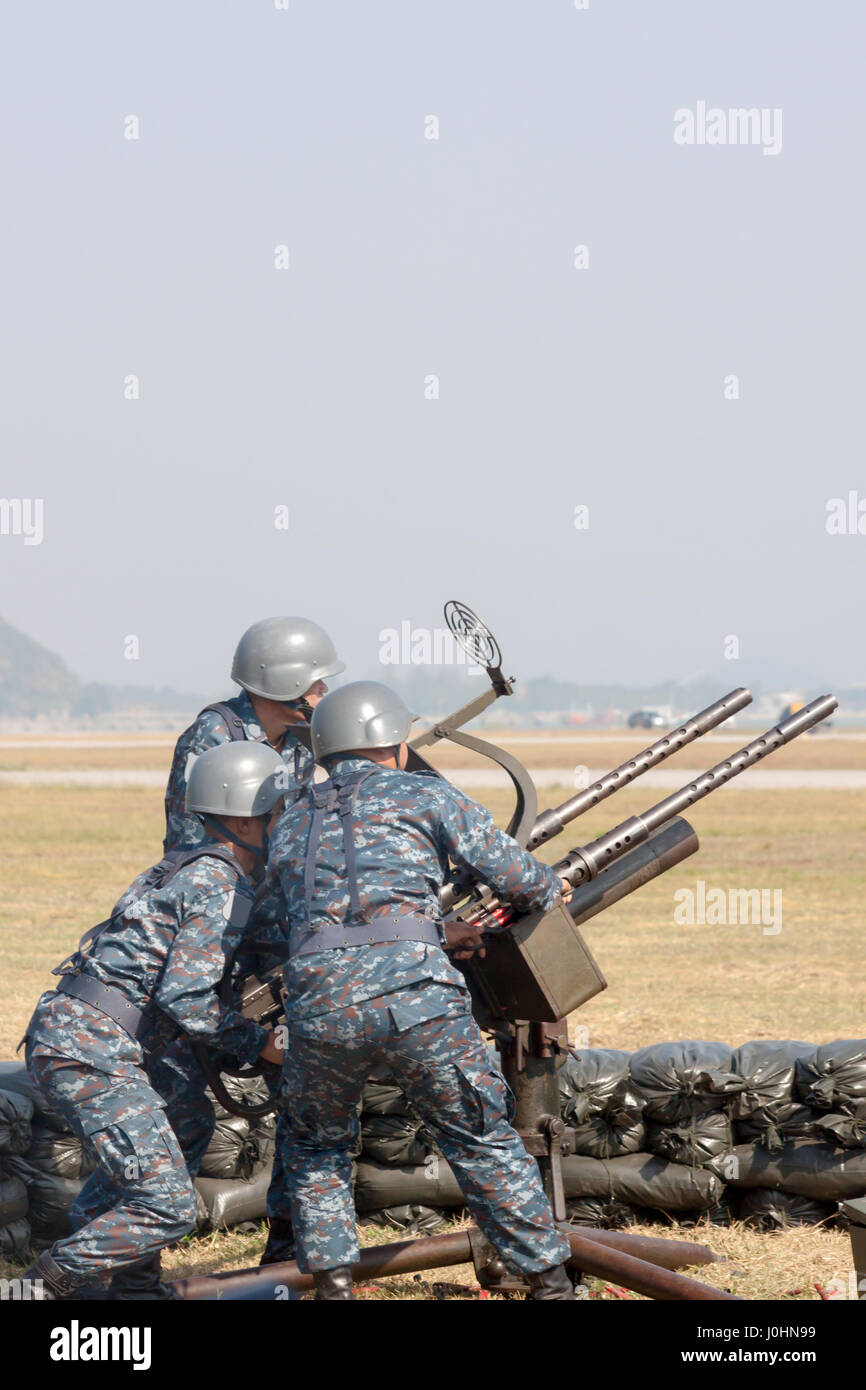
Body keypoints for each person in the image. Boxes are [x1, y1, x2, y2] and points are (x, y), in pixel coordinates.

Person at [266, 680, 577, 1300]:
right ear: (394, 744)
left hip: (319, 1007)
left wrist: (430, 929)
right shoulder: (425, 794)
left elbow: (293, 922)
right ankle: (550, 1283)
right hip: (419, 1001)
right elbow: (515, 876)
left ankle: (331, 1284)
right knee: (480, 1137)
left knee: (316, 1145)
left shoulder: (290, 817)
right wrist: (547, 888)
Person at [22, 742, 286, 1301]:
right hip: (91, 1045)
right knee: (165, 1205)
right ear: (244, 819)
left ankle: (129, 1287)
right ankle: (37, 1289)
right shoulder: (220, 882)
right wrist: (260, 1045)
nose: (285, 822)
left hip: (92, 1033)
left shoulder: (189, 865)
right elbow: (187, 999)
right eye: (277, 811)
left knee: (188, 1121)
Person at [161, 615, 345, 1270]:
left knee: (305, 1087)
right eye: (316, 681)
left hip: (280, 940)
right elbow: (201, 855)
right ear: (288, 683)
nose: (324, 692)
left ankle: (288, 1249)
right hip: (216, 937)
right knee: (181, 1095)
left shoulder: (300, 744)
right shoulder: (212, 739)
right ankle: (129, 1257)